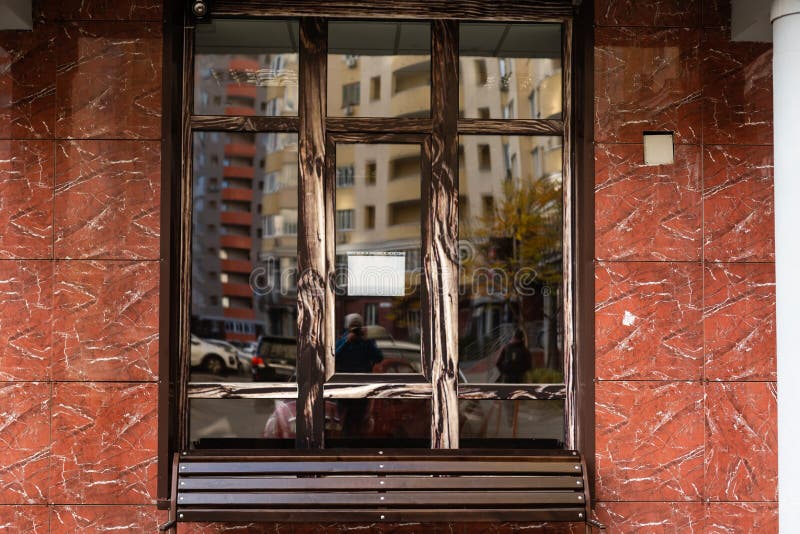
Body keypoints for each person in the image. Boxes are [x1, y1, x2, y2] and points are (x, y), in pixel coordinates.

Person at [334, 313, 383, 436]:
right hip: (344, 387)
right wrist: (346, 342)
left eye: (357, 326)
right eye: (353, 326)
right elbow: (333, 357)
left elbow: (378, 358)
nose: (355, 329)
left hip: (361, 386)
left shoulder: (366, 342)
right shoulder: (342, 340)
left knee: (359, 420)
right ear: (347, 327)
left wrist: (367, 342)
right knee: (344, 421)